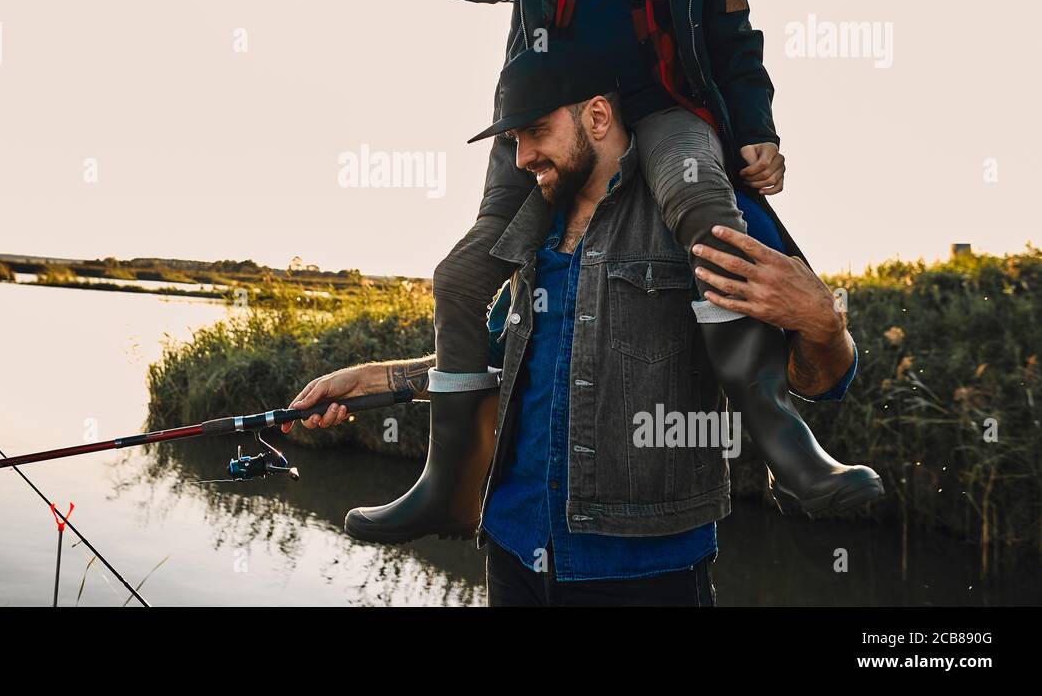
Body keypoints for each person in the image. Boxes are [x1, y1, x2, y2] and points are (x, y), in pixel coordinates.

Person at [246, 0, 881, 544]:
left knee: (707, 211)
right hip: (552, 116)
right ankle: (447, 486)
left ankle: (787, 448)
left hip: (668, 113)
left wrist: (758, 132)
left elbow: (737, 44)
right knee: (463, 273)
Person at [287, 45, 869, 605]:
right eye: (514, 140)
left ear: (595, 115)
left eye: (536, 131)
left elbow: (818, 379)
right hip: (514, 550)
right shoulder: (529, 228)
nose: (522, 157)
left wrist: (824, 322)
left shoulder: (703, 204)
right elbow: (504, 361)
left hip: (644, 568)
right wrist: (373, 379)